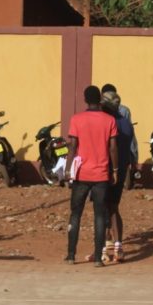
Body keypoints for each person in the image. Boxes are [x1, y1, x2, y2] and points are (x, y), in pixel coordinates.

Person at [63, 85, 119, 266]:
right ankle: (97, 258)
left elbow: (73, 146)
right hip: (101, 175)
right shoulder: (109, 120)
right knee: (100, 216)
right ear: (100, 100)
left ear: (85, 99)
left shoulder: (77, 119)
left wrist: (67, 169)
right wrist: (115, 170)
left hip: (81, 174)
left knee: (75, 214)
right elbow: (112, 147)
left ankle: (71, 255)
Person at [101, 90, 134, 262]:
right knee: (113, 208)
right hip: (121, 170)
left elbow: (109, 147)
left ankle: (103, 250)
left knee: (102, 209)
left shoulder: (108, 122)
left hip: (105, 170)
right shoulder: (127, 123)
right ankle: (117, 246)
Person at [102, 83, 138, 188]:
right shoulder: (125, 113)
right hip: (122, 156)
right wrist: (134, 157)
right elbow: (130, 134)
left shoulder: (104, 116)